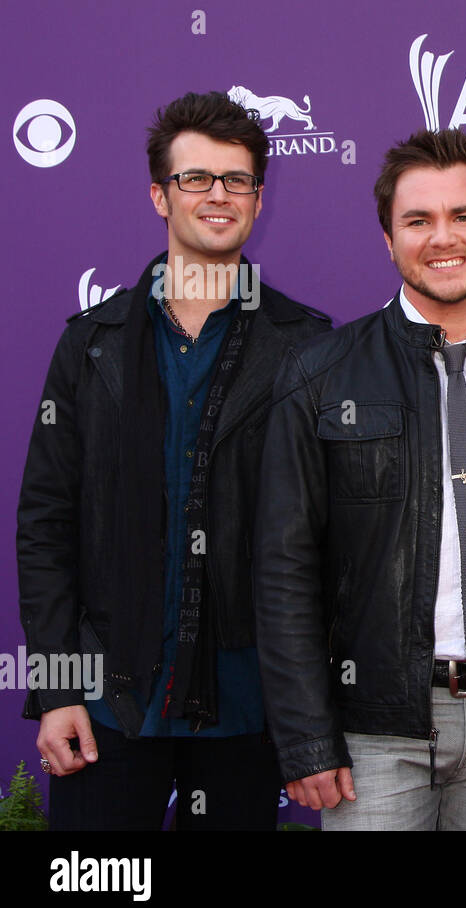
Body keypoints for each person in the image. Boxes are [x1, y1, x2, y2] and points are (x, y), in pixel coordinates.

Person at [254, 129, 466, 831]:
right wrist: (306, 735)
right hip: (375, 730)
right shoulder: (320, 377)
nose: (444, 237)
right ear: (388, 238)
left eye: (463, 215)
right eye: (418, 220)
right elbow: (283, 567)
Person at [16, 91, 330, 830]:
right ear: (160, 194)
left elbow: (329, 536)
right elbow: (46, 523)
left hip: (249, 705)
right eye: (196, 178)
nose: (218, 195)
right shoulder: (91, 343)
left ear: (258, 198)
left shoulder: (309, 346)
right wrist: (58, 688)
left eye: (237, 179)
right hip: (104, 700)